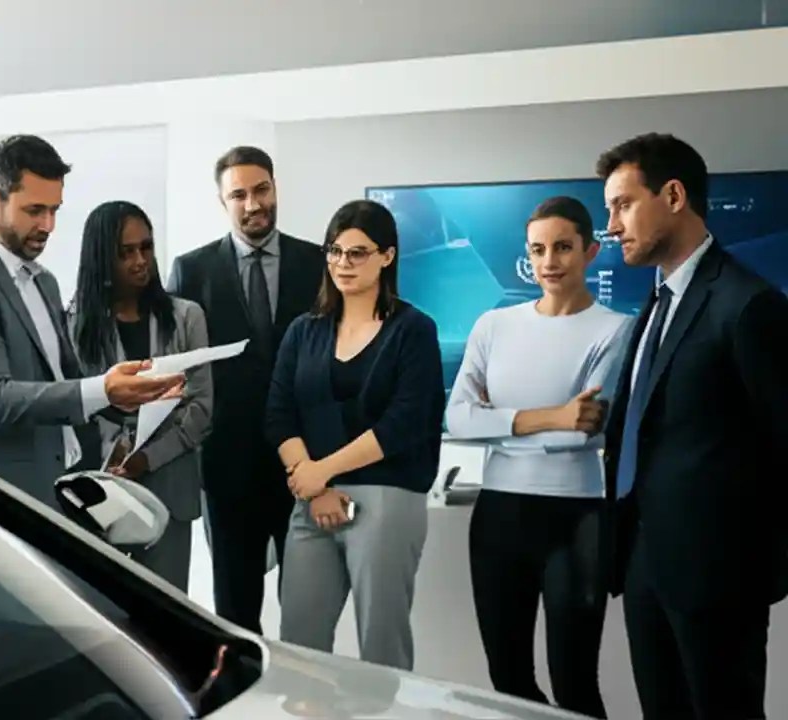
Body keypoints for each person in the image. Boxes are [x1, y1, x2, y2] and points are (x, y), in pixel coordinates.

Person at [598, 133, 788, 719]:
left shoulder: (747, 305)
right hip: (643, 563)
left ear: (674, 195)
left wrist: (758, 572)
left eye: (623, 204)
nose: (611, 225)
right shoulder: (650, 310)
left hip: (718, 577)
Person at [444, 196, 632, 717]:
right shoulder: (493, 325)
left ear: (591, 251)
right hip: (498, 516)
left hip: (576, 520)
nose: (549, 261)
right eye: (538, 249)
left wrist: (497, 422)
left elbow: (585, 434)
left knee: (574, 685)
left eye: (564, 248)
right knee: (506, 681)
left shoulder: (618, 329)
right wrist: (551, 416)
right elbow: (457, 419)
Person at [0, 135, 184, 509]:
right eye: (34, 210)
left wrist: (131, 395)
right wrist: (103, 389)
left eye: (54, 210)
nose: (48, 225)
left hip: (55, 487)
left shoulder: (43, 281)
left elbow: (63, 380)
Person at [265, 199, 443, 670]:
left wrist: (322, 471)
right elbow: (279, 414)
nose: (343, 263)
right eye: (335, 251)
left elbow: (403, 422)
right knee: (298, 645)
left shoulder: (414, 330)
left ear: (387, 256)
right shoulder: (304, 331)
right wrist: (315, 483)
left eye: (358, 253)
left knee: (381, 645)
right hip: (312, 497)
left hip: (385, 497)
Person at [166, 145, 324, 634]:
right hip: (227, 465)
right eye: (239, 195)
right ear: (223, 202)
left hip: (304, 460)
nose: (253, 204)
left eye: (261, 190)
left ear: (275, 188)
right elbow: (182, 370)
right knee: (234, 611)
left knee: (306, 608)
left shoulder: (318, 262)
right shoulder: (191, 270)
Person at [66, 200, 212, 591]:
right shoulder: (73, 324)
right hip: (100, 488)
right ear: (101, 259)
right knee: (100, 610)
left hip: (168, 485)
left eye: (146, 248)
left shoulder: (186, 317)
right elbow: (72, 405)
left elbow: (200, 409)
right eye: (126, 252)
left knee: (164, 617)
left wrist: (147, 457)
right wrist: (117, 454)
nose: (139, 261)